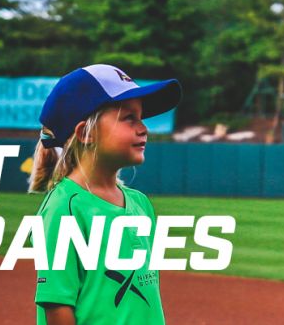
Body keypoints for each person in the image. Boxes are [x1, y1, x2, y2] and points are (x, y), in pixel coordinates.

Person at [29, 65, 181, 325]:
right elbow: (57, 307)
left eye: (141, 117)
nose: (143, 128)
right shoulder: (64, 208)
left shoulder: (140, 204)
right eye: (129, 117)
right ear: (85, 133)